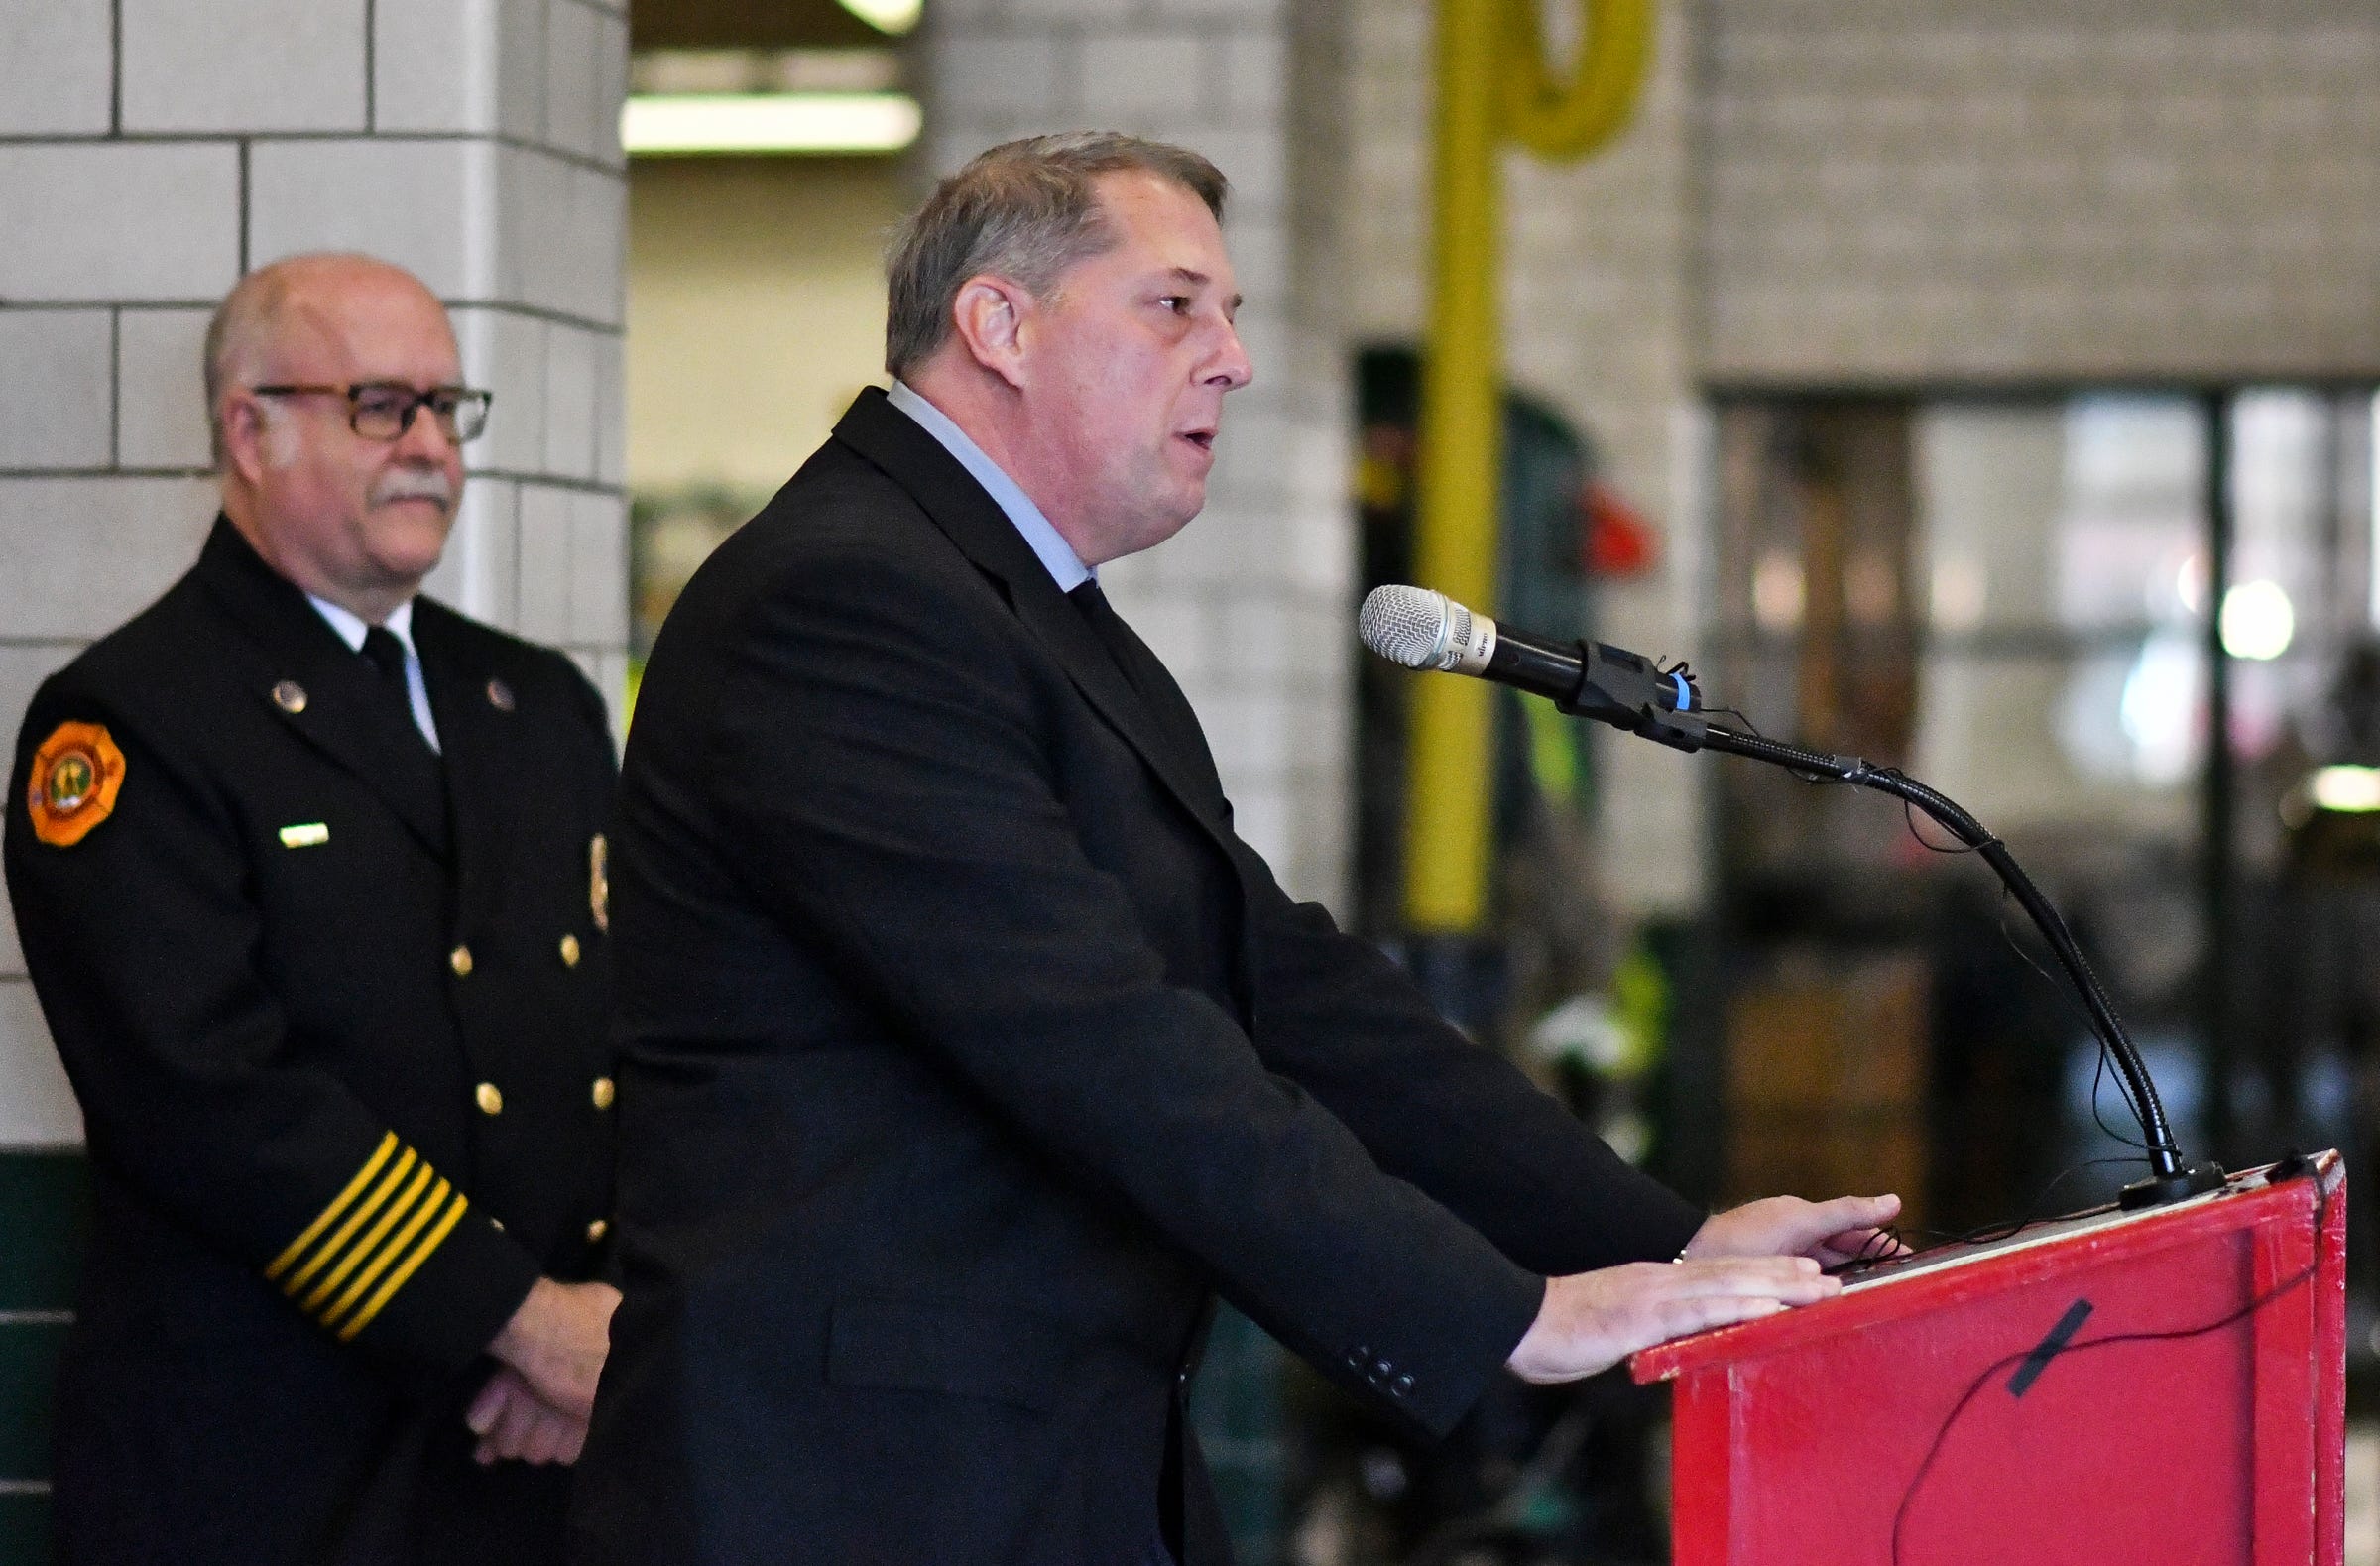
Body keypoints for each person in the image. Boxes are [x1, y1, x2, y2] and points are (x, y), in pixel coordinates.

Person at [572, 134, 1896, 1566]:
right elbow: (1103, 1042)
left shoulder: (1034, 614)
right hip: (857, 1484)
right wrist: (1499, 1316)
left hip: (1035, 1452)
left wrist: (1666, 1238)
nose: (1232, 361)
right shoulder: (846, 603)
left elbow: (1286, 991)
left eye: (1233, 314)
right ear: (1000, 327)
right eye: (1175, 305)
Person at [5, 253, 623, 1566]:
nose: (432, 452)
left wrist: (598, 1323)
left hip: (526, 1458)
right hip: (265, 1473)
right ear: (249, 428)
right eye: (382, 406)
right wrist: (521, 1319)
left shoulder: (536, 705)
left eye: (450, 410)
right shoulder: (131, 722)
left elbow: (622, 1034)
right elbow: (207, 1094)